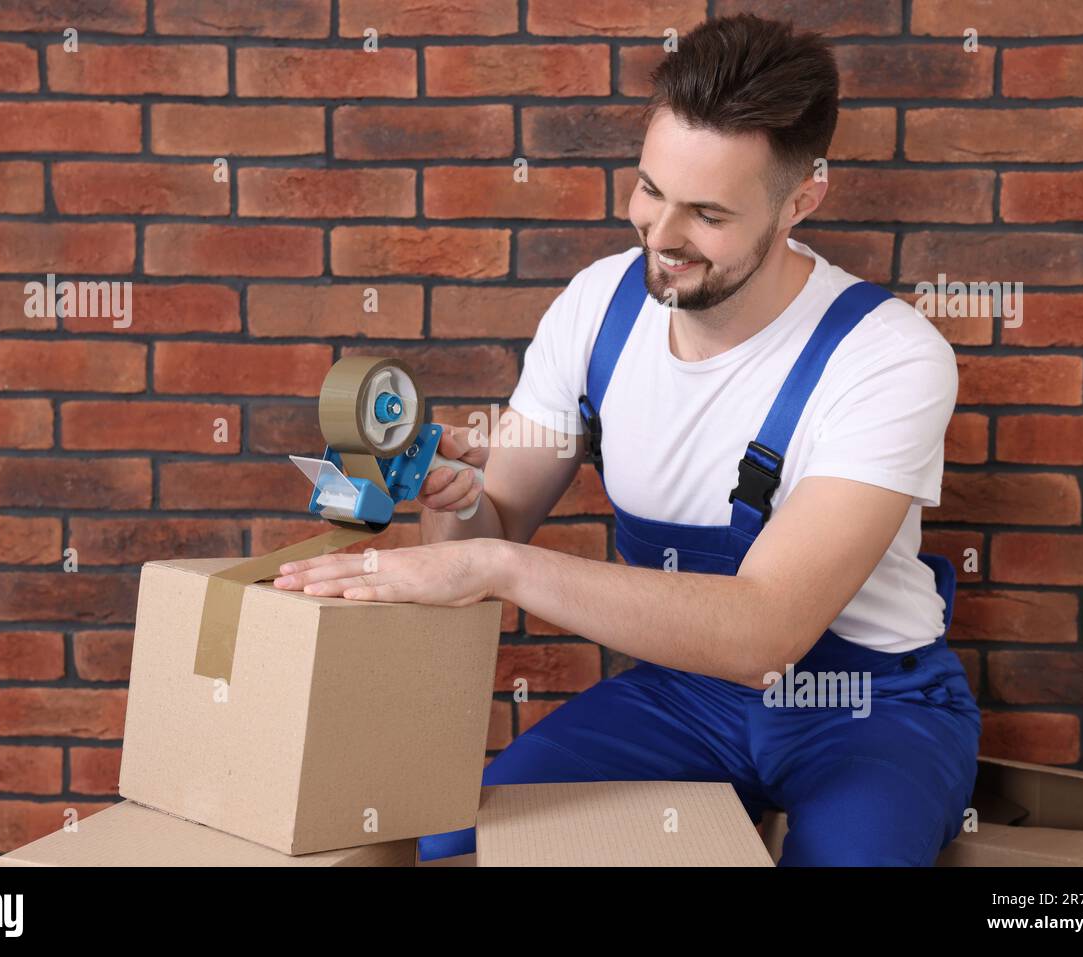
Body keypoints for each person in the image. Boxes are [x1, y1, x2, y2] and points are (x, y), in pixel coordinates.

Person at [273, 13, 981, 866]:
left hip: (867, 704)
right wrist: (456, 509)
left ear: (801, 201)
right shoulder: (597, 308)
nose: (662, 234)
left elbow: (764, 635)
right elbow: (490, 530)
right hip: (683, 695)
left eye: (708, 214)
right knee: (453, 848)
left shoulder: (888, 356)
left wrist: (496, 566)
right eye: (651, 189)